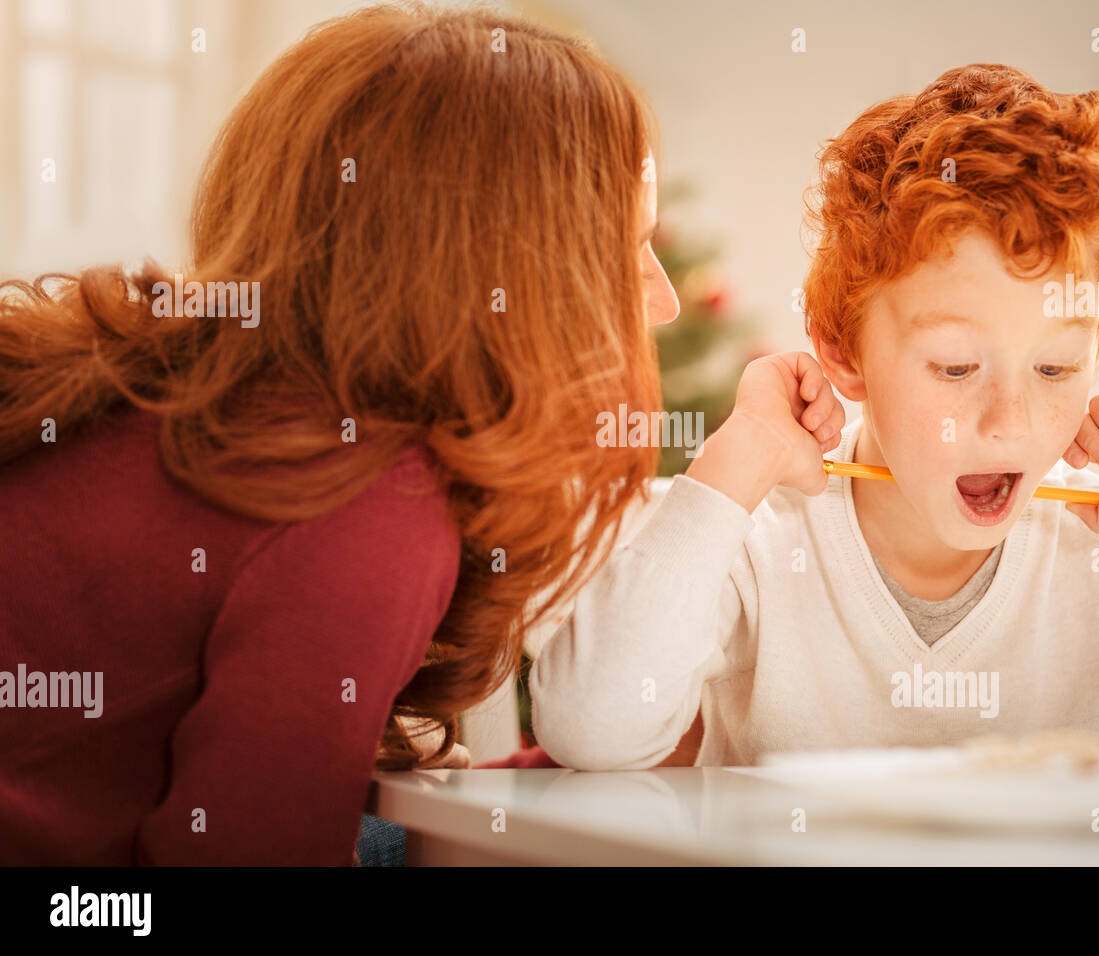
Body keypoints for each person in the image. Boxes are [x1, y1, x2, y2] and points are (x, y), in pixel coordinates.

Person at [0, 2, 682, 865]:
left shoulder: (184, 381)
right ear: (508, 274)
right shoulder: (366, 498)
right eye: (628, 251)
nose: (664, 301)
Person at [529, 63, 1099, 769]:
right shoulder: (750, 538)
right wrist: (735, 465)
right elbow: (592, 731)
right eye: (956, 368)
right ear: (843, 353)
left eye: (1056, 369)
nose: (1009, 420)